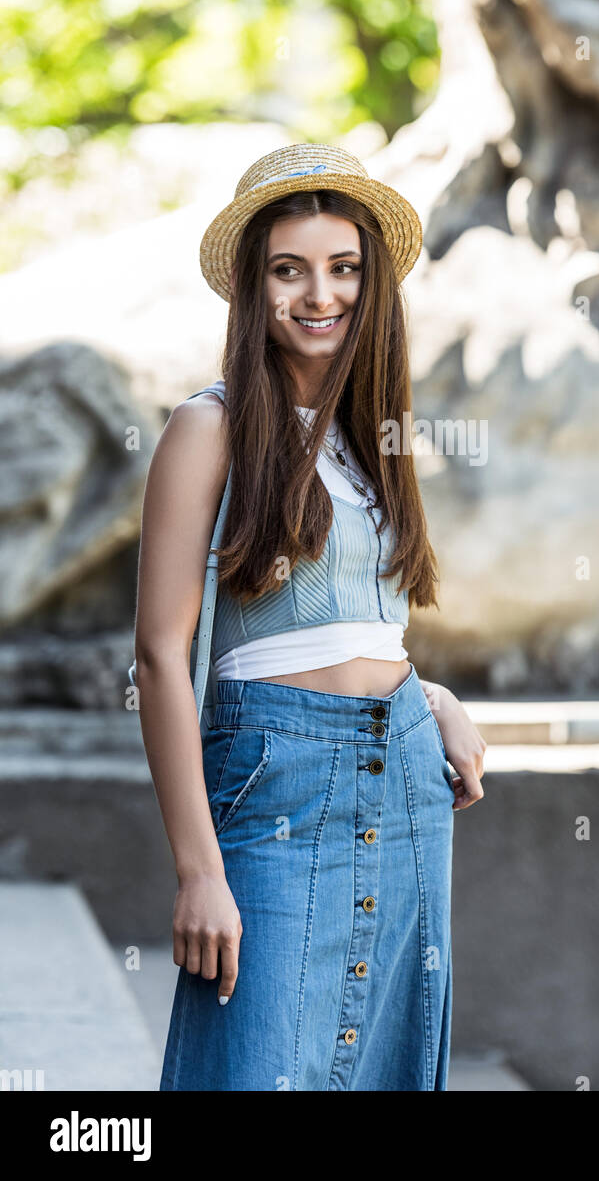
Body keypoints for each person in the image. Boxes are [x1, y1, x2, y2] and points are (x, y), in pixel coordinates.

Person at [133, 143, 486, 1092]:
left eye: (344, 268)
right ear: (254, 286)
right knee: (256, 1067)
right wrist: (198, 871)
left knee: (387, 1066)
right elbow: (161, 659)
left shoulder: (372, 438)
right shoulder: (206, 429)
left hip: (406, 770)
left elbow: (360, 626)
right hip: (274, 782)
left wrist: (434, 694)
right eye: (289, 270)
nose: (318, 294)